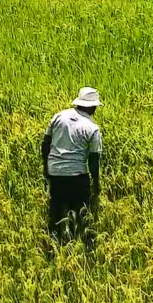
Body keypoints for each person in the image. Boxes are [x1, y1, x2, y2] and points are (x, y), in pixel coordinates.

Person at [42, 87, 103, 241]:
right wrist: (96, 183)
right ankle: (79, 243)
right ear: (92, 107)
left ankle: (54, 242)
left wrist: (46, 167)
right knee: (81, 213)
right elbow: (94, 159)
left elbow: (45, 143)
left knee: (56, 211)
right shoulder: (92, 128)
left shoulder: (58, 117)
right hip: (77, 176)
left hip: (55, 172)